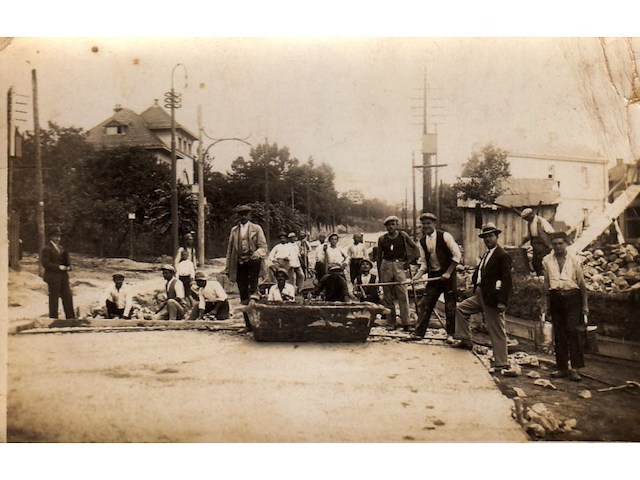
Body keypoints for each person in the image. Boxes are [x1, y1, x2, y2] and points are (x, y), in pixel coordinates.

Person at [453, 223, 514, 372]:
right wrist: (473, 288)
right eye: (485, 237)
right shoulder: (487, 254)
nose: (487, 239)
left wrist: (502, 301)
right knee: (461, 309)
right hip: (480, 294)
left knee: (497, 329)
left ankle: (502, 361)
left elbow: (507, 280)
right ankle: (465, 340)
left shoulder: (502, 255)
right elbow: (480, 274)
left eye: (490, 236)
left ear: (496, 237)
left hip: (492, 297)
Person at [542, 232, 589, 381]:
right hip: (556, 299)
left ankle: (575, 369)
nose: (557, 246)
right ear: (551, 245)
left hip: (573, 298)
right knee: (559, 334)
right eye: (554, 244)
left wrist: (585, 305)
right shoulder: (547, 260)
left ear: (566, 243)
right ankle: (562, 368)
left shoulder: (575, 260)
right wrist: (545, 303)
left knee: (572, 332)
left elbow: (582, 284)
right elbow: (546, 283)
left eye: (560, 243)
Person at [411, 212, 462, 340]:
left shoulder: (445, 236)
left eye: (428, 223)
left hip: (448, 275)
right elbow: (423, 264)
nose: (426, 226)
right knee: (425, 304)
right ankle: (418, 333)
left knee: (450, 306)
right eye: (423, 224)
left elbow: (457, 256)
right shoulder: (422, 241)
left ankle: (451, 334)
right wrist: (416, 277)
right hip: (434, 276)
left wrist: (448, 272)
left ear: (434, 224)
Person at [224, 204, 268, 333]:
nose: (243, 217)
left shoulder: (256, 228)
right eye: (241, 214)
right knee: (243, 293)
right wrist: (227, 268)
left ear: (249, 215)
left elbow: (263, 247)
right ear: (238, 216)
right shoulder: (234, 230)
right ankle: (248, 324)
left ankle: (258, 323)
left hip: (253, 263)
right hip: (240, 264)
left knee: (253, 292)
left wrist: (256, 254)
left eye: (245, 214)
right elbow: (230, 250)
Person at [376, 215, 418, 331]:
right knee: (387, 294)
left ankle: (406, 323)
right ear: (385, 227)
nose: (390, 227)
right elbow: (379, 257)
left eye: (393, 224)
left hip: (399, 265)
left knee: (402, 293)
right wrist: (380, 275)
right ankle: (391, 322)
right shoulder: (382, 239)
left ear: (397, 225)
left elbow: (415, 248)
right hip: (386, 265)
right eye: (388, 225)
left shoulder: (403, 236)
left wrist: (409, 262)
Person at [40, 226, 75, 320]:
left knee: (67, 296)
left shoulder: (61, 248)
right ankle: (54, 319)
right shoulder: (47, 249)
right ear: (50, 237)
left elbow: (66, 261)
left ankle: (71, 318)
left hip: (63, 276)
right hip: (53, 277)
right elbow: (45, 263)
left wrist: (68, 266)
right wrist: (59, 267)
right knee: (54, 298)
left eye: (59, 236)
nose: (58, 239)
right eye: (55, 236)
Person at [520, 208, 554, 276]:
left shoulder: (541, 221)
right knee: (535, 262)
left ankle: (545, 277)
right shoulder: (529, 223)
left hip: (543, 244)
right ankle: (539, 277)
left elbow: (551, 232)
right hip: (535, 244)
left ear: (531, 215)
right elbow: (528, 236)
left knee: (543, 261)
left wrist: (551, 245)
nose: (526, 220)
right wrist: (520, 244)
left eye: (526, 218)